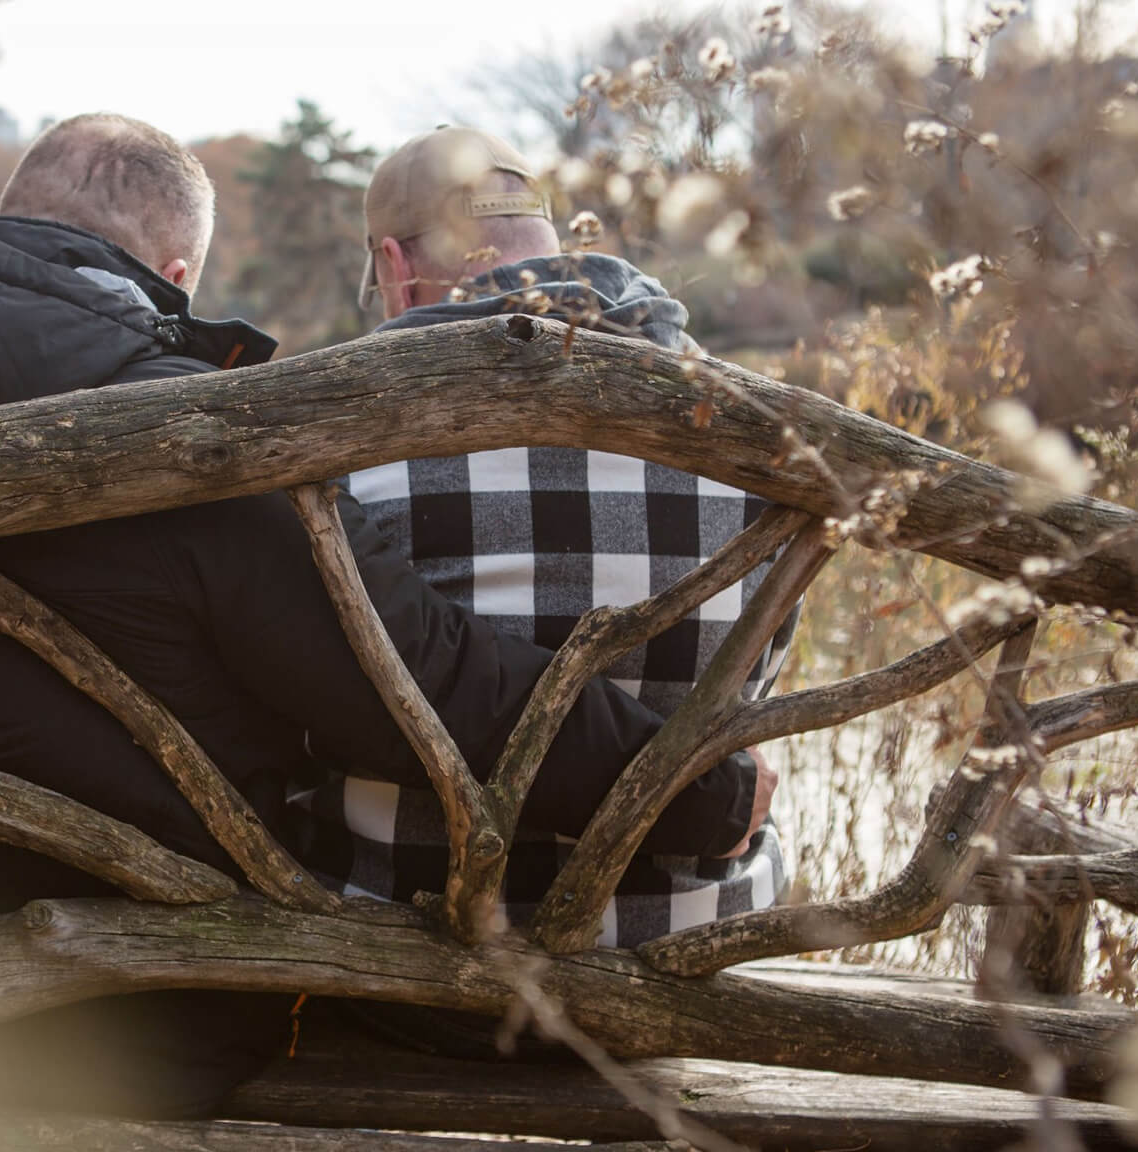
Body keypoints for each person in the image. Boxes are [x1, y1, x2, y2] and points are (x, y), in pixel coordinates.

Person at [0, 113, 768, 1116]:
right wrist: (706, 793)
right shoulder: (188, 432)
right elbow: (417, 687)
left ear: (8, 217)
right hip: (106, 1016)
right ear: (173, 276)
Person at [291, 126, 794, 949]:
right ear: (552, 244)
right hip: (692, 955)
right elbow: (759, 692)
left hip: (413, 970)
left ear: (393, 265)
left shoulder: (349, 472)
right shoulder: (751, 442)